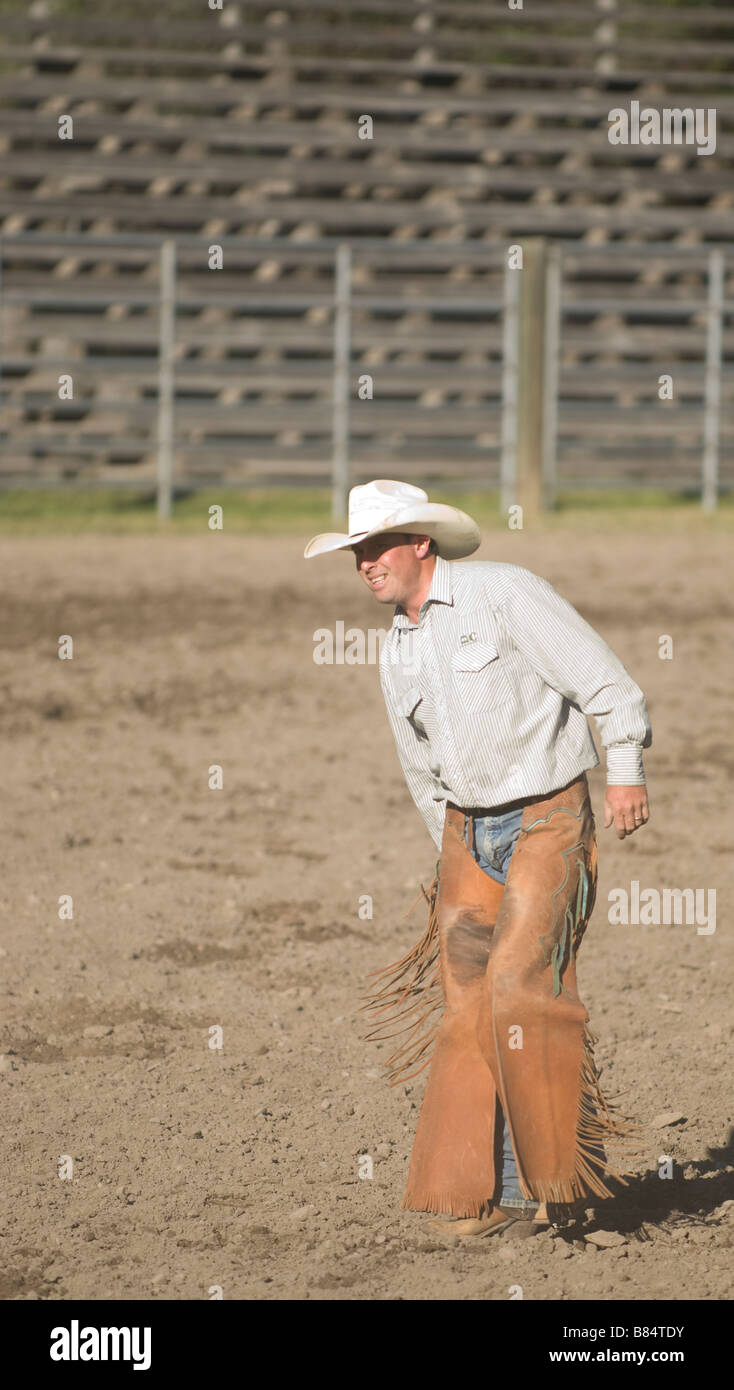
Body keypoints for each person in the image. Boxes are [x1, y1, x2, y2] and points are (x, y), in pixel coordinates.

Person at [304, 479, 651, 1237]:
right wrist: (448, 851)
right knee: (470, 1008)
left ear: (420, 543)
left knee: (521, 988)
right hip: (467, 835)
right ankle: (489, 1192)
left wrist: (623, 768)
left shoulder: (507, 595)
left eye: (375, 547)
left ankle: (542, 1193)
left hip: (546, 819)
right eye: (356, 553)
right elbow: (419, 767)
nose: (364, 564)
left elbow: (600, 677)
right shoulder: (398, 647)